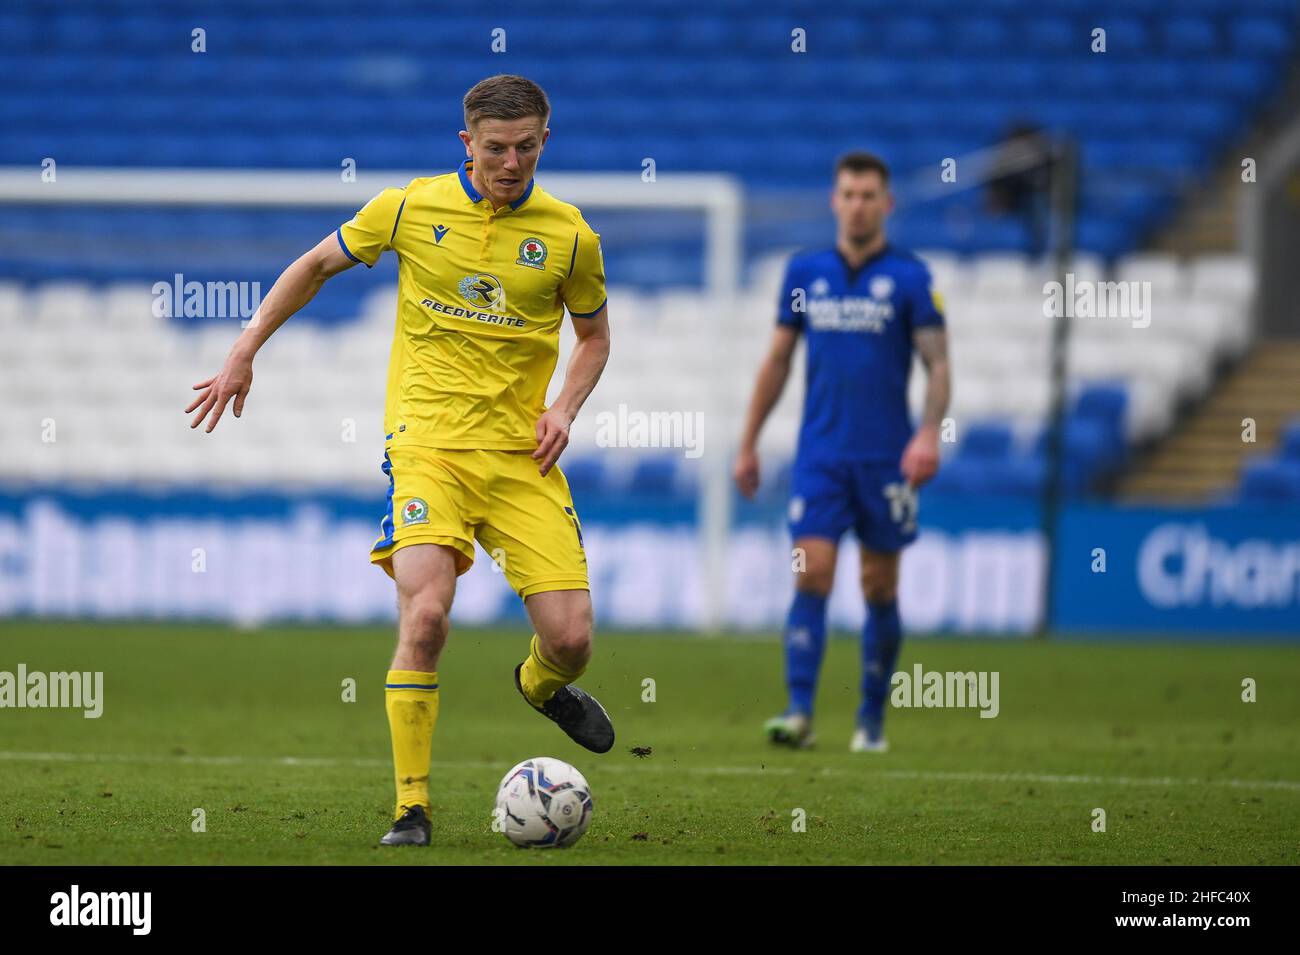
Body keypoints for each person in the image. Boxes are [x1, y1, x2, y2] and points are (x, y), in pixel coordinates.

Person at [187, 74, 615, 846]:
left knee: (573, 639)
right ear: (466, 145)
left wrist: (564, 407)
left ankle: (538, 683)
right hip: (426, 449)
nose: (510, 164)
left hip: (521, 460)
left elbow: (594, 339)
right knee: (425, 616)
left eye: (525, 148)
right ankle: (410, 808)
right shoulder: (409, 208)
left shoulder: (572, 236)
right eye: (494, 150)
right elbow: (315, 265)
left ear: (544, 141)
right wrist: (245, 348)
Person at [733, 151, 950, 752]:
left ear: (887, 203)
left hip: (887, 460)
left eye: (868, 195)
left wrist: (929, 432)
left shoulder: (911, 278)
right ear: (835, 201)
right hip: (820, 458)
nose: (858, 204)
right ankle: (799, 712)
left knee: (880, 585)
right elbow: (778, 360)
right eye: (848, 194)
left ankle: (871, 721)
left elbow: (938, 364)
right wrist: (748, 441)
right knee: (813, 574)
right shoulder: (806, 274)